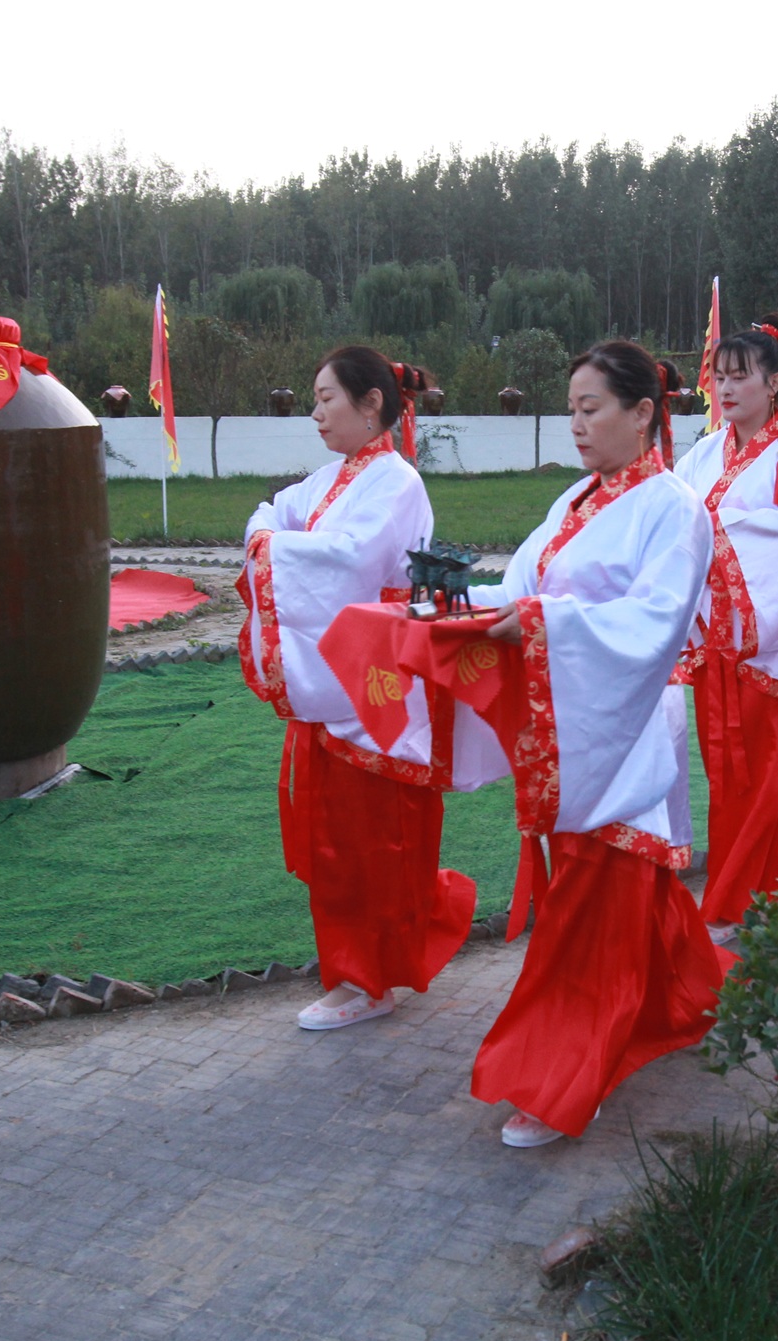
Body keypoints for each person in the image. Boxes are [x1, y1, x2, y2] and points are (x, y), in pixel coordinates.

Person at [457, 341, 726, 1149]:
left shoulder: (674, 508)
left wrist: (542, 624)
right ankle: (688, 995)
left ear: (643, 413)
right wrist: (447, 602)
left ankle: (567, 1072)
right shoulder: (579, 501)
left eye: (591, 408)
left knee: (591, 917)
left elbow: (651, 626)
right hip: (569, 728)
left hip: (623, 735)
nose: (576, 424)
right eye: (571, 409)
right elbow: (521, 588)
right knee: (627, 903)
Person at [238, 347, 477, 1031]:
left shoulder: (397, 482)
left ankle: (367, 979)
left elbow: (346, 562)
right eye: (314, 399)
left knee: (376, 839)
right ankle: (363, 963)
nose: (315, 412)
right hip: (335, 686)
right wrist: (270, 539)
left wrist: (267, 546)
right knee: (335, 837)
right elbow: (269, 512)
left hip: (378, 688)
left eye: (326, 398)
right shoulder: (329, 480)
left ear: (371, 403)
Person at [672, 314, 778, 947]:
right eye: (718, 376)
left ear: (775, 382)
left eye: (740, 376)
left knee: (763, 773)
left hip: (768, 642)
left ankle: (736, 901)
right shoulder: (703, 453)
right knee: (726, 774)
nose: (726, 389)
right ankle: (763, 883)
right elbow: (673, 520)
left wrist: (717, 533)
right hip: (713, 640)